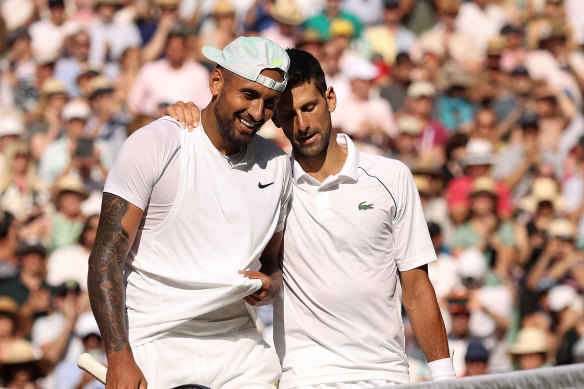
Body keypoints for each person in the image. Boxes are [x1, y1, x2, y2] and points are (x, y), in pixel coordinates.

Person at [167, 48, 455, 387]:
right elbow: (206, 160)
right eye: (288, 114)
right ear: (274, 118)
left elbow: (417, 289)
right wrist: (183, 118)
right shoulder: (268, 180)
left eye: (309, 107)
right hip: (302, 378)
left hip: (384, 375)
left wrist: (445, 378)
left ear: (330, 99)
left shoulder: (392, 177)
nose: (301, 125)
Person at [88, 37, 291, 388]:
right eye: (248, 95)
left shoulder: (277, 166)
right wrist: (119, 356)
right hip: (153, 343)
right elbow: (106, 258)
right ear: (216, 82)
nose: (258, 113)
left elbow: (274, 264)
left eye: (269, 102)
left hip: (242, 349)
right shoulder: (156, 143)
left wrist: (270, 286)